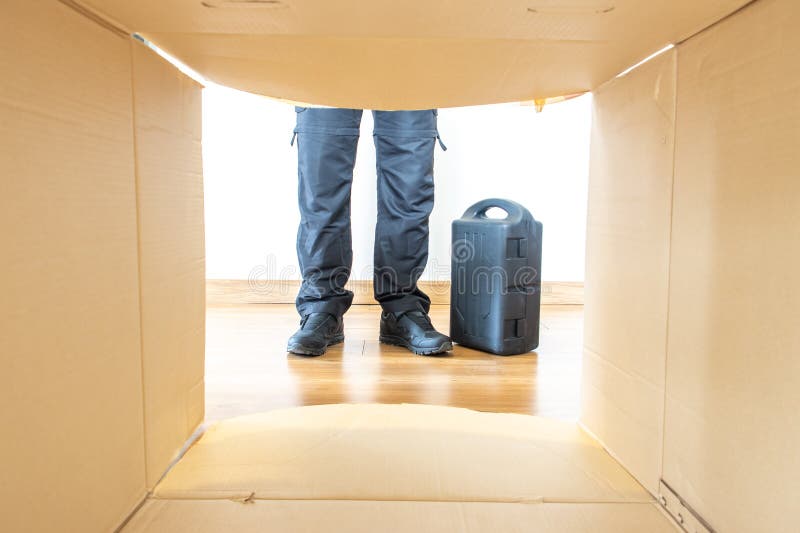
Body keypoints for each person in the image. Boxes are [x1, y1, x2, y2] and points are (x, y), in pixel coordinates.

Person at [286, 107, 452, 357]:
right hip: (323, 79)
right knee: (321, 192)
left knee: (410, 192)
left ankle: (401, 309)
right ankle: (322, 308)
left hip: (410, 79)